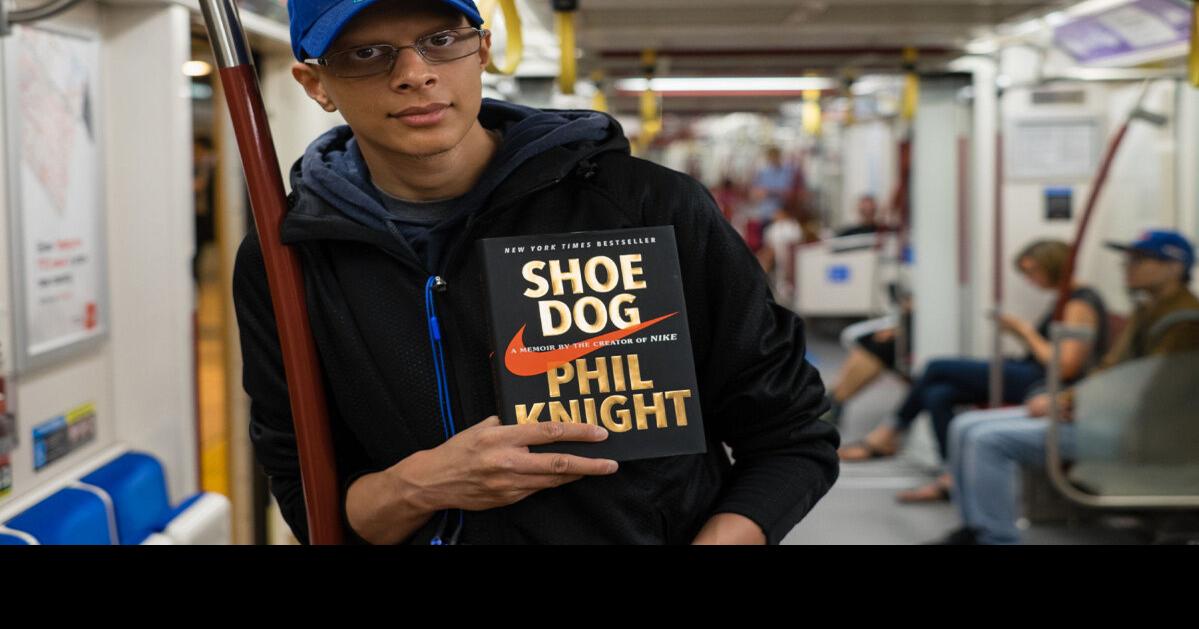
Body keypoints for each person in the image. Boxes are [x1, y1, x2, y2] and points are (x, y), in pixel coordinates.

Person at [232, 0, 839, 545]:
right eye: (367, 54)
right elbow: (308, 499)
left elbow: (790, 436)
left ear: (484, 49)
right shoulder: (286, 260)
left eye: (442, 40)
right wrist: (422, 486)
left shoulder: (648, 210)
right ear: (316, 84)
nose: (415, 73)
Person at [935, 230, 1199, 544]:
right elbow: (1111, 370)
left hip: (1145, 433)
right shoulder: (1147, 311)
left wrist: (1078, 406)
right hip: (1117, 416)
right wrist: (1068, 399)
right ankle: (974, 529)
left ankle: (996, 537)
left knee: (989, 440)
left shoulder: (1184, 322)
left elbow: (1155, 393)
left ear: (1174, 267)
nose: (1129, 266)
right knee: (964, 425)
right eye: (1128, 259)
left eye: (1141, 260)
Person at [839, 239, 1108, 501]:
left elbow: (1065, 366)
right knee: (938, 394)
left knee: (936, 367)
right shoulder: (1065, 301)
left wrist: (1024, 331)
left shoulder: (1079, 304)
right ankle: (952, 474)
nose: (1030, 280)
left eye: (1032, 271)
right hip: (1031, 371)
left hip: (1041, 380)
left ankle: (889, 433)